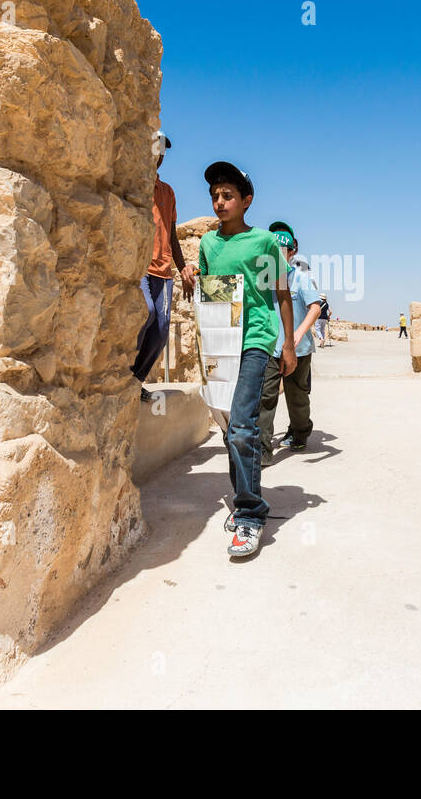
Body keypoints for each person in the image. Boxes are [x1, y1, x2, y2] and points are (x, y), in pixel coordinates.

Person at [197, 161, 296, 558]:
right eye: (215, 196)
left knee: (242, 426)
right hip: (221, 343)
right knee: (228, 425)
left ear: (246, 201)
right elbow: (210, 295)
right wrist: (192, 279)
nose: (220, 203)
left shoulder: (265, 243)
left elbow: (282, 294)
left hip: (255, 338)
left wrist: (288, 344)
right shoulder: (207, 244)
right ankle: (245, 495)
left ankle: (250, 514)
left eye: (228, 196)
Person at [130, 132, 196, 401]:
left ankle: (135, 381)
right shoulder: (134, 185)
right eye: (155, 149)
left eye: (162, 152)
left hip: (164, 272)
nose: (158, 155)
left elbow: (171, 232)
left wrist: (182, 267)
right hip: (140, 268)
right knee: (144, 312)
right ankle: (122, 375)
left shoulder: (167, 192)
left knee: (161, 330)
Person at [258, 222, 324, 466]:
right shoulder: (262, 280)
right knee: (265, 398)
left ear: (291, 253)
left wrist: (298, 332)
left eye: (280, 251)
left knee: (297, 398)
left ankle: (300, 432)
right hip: (270, 348)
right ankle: (263, 450)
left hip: (299, 349)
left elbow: (315, 308)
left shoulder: (301, 279)